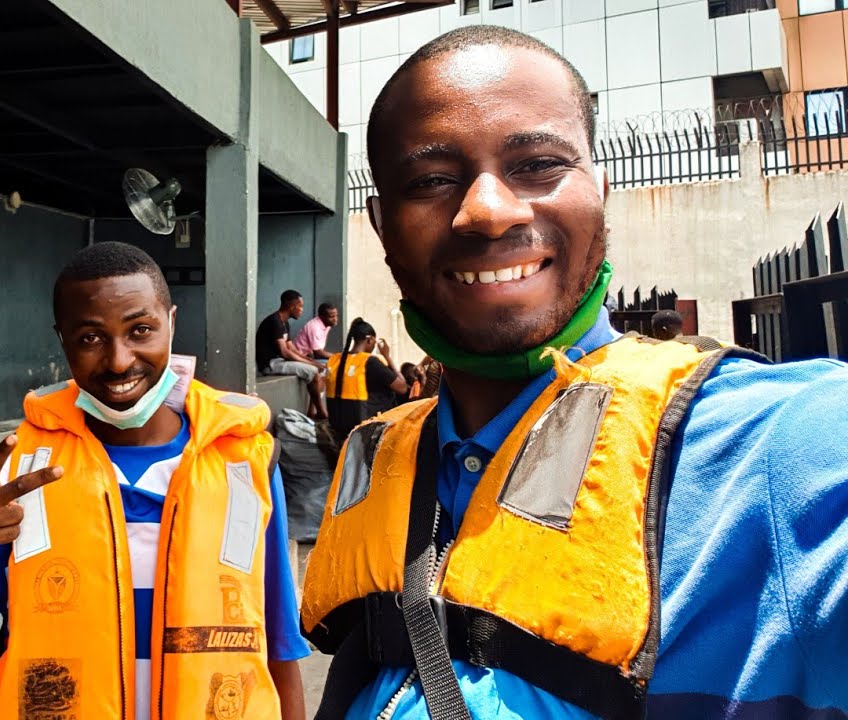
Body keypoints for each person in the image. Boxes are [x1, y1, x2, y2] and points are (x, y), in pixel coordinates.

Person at [300, 25, 848, 720]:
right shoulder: (378, 457)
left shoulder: (777, 446)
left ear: (601, 188)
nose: (487, 212)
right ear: (381, 224)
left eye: (537, 165)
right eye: (431, 181)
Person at [0, 242, 308, 720]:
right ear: (62, 340)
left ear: (171, 322)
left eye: (141, 330)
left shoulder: (245, 465)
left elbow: (277, 653)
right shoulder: (16, 477)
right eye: (90, 338)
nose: (119, 361)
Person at [326, 318, 407, 443]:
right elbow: (402, 387)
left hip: (338, 423)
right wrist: (387, 356)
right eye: (374, 342)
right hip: (366, 423)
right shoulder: (370, 361)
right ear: (369, 340)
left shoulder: (335, 359)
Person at [256, 289, 329, 419]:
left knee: (319, 371)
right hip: (270, 364)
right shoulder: (275, 321)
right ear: (291, 306)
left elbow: (292, 349)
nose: (302, 310)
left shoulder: (285, 323)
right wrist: (311, 364)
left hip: (280, 361)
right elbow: (285, 353)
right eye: (300, 306)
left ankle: (312, 411)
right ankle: (322, 413)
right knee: (313, 371)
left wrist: (313, 362)